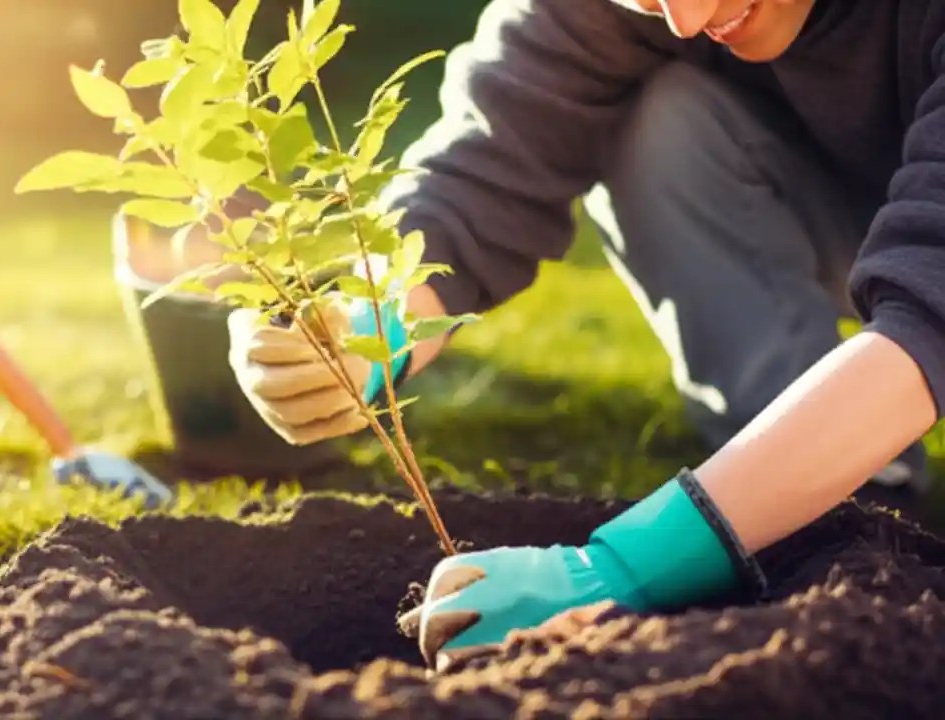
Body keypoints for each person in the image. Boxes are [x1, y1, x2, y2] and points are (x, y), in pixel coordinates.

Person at [227, 0, 945, 670]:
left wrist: (629, 565)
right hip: (821, 190)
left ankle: (798, 479)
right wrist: (368, 329)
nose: (685, 18)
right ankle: (837, 487)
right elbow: (485, 163)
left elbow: (931, 313)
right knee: (660, 115)